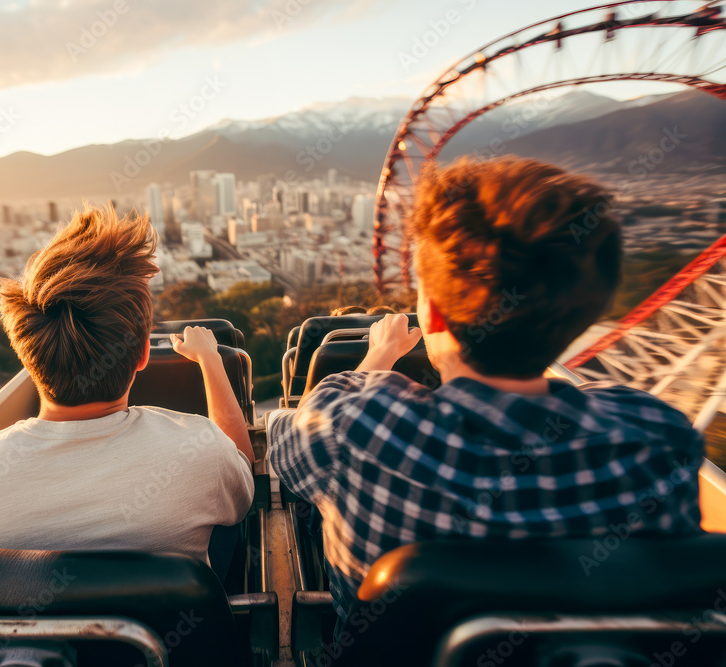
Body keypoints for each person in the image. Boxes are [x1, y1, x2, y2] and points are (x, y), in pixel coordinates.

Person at [268, 156, 704, 624]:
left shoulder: (353, 424)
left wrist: (378, 357)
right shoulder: (659, 438)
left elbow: (280, 452)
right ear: (586, 312)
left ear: (432, 315)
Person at [0, 204, 254, 576]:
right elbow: (243, 476)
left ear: (27, 355)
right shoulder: (202, 452)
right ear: (144, 353)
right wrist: (211, 360)